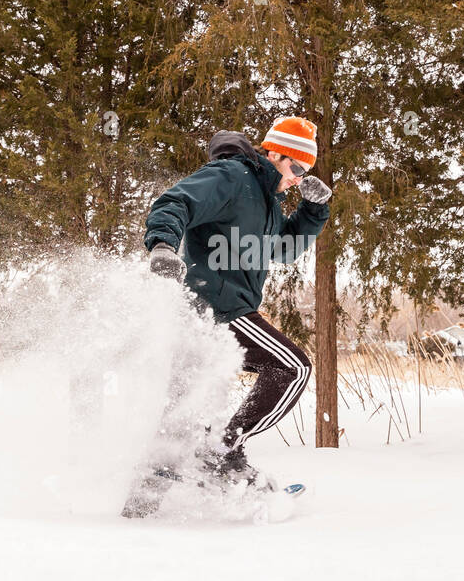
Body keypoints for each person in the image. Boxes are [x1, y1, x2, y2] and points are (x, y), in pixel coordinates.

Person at [122, 117, 332, 517]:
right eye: (298, 169)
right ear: (275, 154)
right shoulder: (234, 175)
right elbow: (176, 201)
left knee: (181, 420)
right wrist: (164, 244)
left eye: (306, 173)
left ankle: (137, 513)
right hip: (216, 307)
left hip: (207, 314)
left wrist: (313, 209)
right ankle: (223, 449)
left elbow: (283, 250)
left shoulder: (269, 201)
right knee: (293, 368)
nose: (298, 179)